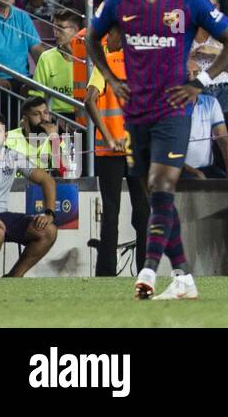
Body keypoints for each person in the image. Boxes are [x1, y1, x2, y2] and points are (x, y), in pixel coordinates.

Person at [85, 0, 228, 299]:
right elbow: (92, 38)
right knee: (155, 194)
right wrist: (110, 76)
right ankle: (185, 277)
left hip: (173, 110)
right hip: (135, 113)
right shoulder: (118, 0)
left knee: (161, 186)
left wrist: (200, 82)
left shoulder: (189, 1)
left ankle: (148, 272)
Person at [82, 27, 148, 277]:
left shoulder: (105, 64)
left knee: (111, 212)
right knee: (144, 212)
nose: (107, 39)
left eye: (110, 35)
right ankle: (146, 271)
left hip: (109, 151)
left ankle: (106, 273)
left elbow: (89, 100)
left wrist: (109, 137)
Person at [0, 113, 58, 277]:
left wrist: (49, 213)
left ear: (5, 135)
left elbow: (47, 180)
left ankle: (14, 278)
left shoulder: (13, 156)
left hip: (2, 216)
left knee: (48, 231)